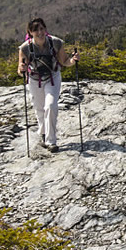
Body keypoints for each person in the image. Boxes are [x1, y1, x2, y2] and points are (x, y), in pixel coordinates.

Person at [17, 17, 79, 152]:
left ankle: (51, 141)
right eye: (36, 30)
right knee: (39, 110)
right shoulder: (25, 48)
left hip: (53, 77)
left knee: (50, 105)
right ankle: (44, 133)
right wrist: (22, 70)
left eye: (42, 28)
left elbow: (64, 61)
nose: (40, 32)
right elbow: (21, 69)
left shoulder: (56, 43)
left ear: (45, 29)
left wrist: (73, 60)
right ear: (30, 32)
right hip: (34, 80)